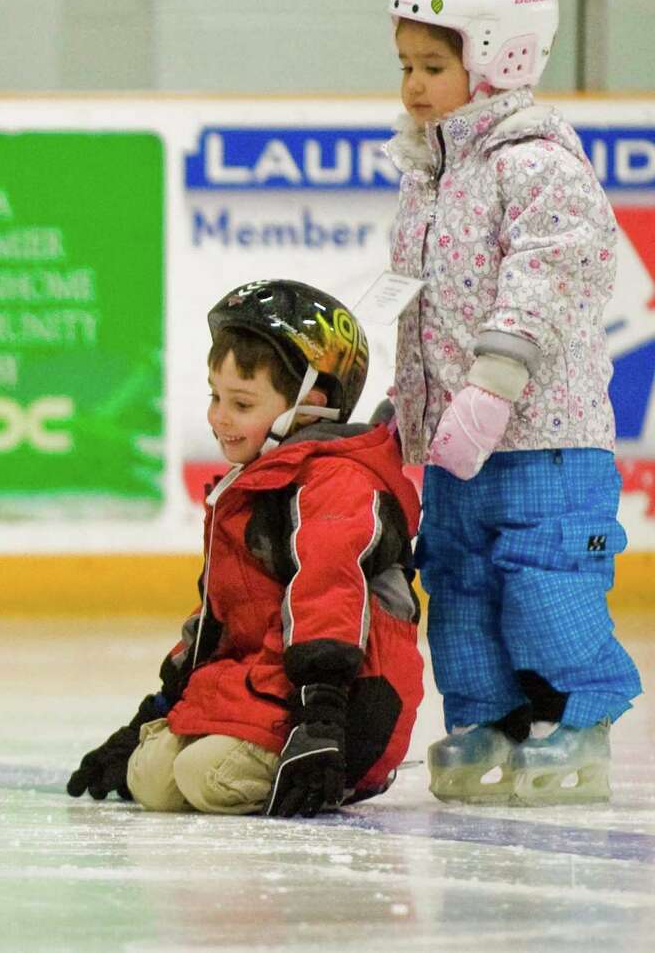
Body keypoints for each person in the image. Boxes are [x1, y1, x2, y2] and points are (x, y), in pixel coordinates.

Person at [385, 0, 642, 804]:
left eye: (432, 65)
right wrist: (404, 404)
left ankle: (579, 718)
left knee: (547, 581)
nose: (414, 85)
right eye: (406, 66)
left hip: (545, 443)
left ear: (500, 57)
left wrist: (491, 390)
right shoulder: (428, 174)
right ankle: (487, 720)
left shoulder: (536, 165)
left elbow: (549, 282)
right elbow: (421, 306)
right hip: (458, 450)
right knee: (458, 585)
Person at [67, 280, 424, 817]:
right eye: (215, 396)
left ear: (313, 407)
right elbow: (215, 621)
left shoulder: (337, 480)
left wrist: (323, 722)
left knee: (204, 776)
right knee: (153, 778)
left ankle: (319, 764)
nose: (219, 417)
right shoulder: (247, 485)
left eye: (241, 402)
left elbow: (326, 596)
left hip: (343, 701)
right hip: (263, 685)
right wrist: (152, 712)